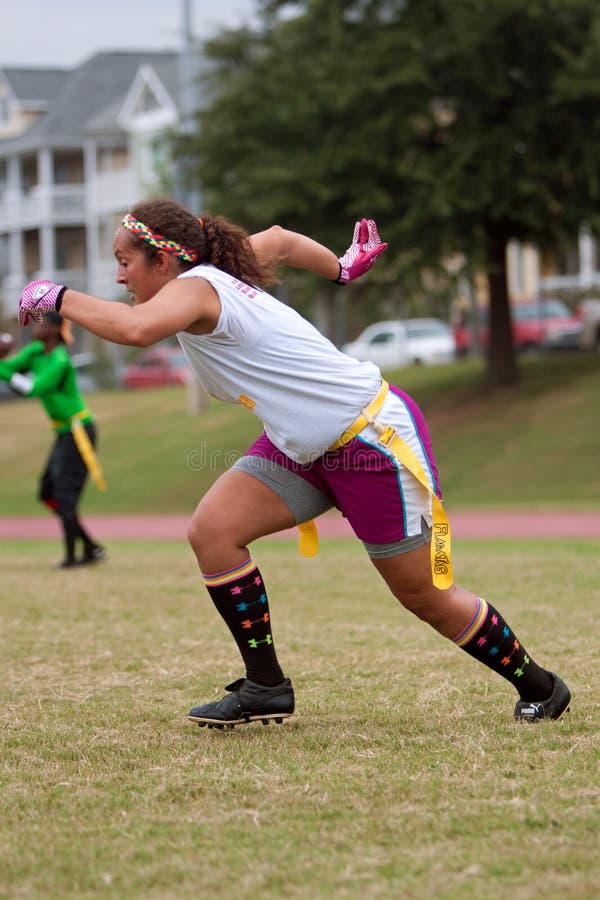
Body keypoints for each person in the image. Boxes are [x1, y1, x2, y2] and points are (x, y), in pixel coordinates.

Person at [17, 198, 570, 727]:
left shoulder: (195, 287)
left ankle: (540, 687)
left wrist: (58, 295)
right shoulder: (211, 273)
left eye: (123, 262)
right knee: (213, 532)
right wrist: (342, 268)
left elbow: (133, 331)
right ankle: (265, 687)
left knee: (424, 595)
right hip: (303, 446)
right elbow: (279, 242)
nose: (118, 277)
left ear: (163, 260)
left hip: (367, 441)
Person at [0, 311, 107, 569]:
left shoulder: (59, 360)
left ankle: (73, 557)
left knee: (64, 494)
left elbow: (32, 388)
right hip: (63, 432)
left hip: (78, 430)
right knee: (48, 492)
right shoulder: (36, 351)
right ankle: (91, 547)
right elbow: (11, 369)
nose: (35, 326)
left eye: (41, 322)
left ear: (54, 329)